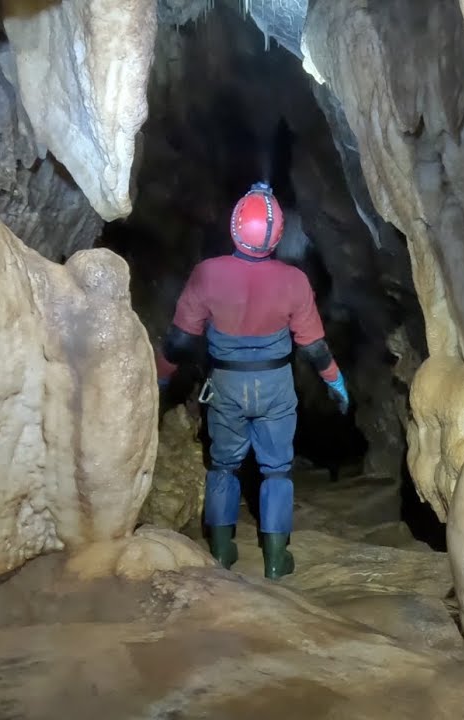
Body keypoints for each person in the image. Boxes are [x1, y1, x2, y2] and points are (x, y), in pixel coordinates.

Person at [155, 181, 349, 580]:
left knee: (223, 467)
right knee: (276, 470)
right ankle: (276, 560)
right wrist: (335, 382)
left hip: (227, 384)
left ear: (235, 226)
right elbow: (313, 346)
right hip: (275, 385)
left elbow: (179, 342)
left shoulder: (207, 274)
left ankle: (222, 551)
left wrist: (159, 379)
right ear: (276, 236)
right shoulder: (294, 281)